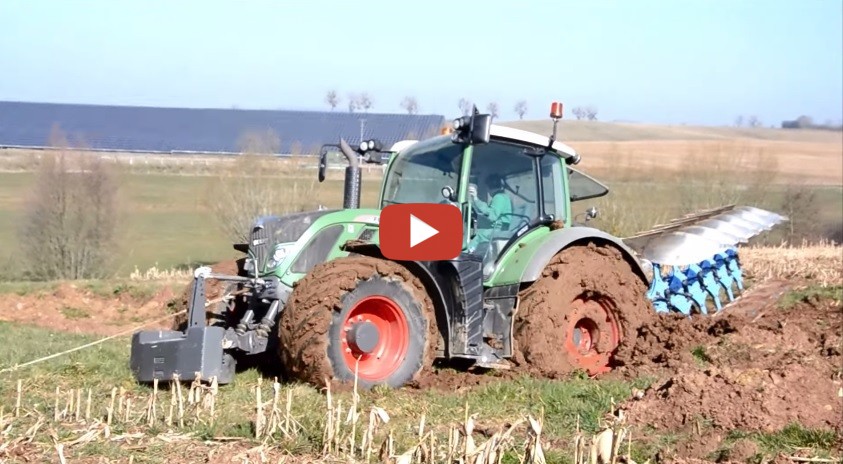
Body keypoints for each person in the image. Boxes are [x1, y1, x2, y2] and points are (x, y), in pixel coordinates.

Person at [468, 173, 513, 251]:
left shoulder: (499, 197)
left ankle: (468, 254)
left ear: (489, 187)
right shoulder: (504, 197)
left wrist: (475, 198)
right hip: (500, 227)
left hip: (498, 229)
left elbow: (492, 215)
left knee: (477, 234)